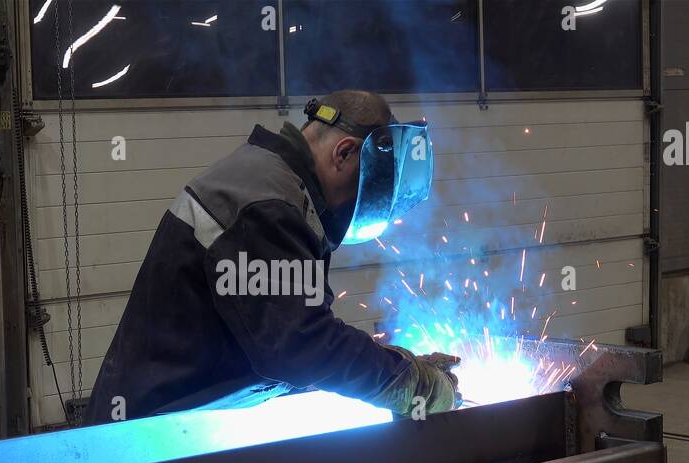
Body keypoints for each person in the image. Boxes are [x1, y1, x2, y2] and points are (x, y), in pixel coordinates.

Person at [82, 90, 459, 426]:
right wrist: (413, 385)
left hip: (179, 415)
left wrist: (395, 363)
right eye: (367, 191)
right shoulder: (266, 204)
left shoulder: (271, 181)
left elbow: (285, 327)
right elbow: (302, 346)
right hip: (147, 439)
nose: (358, 210)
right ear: (343, 154)